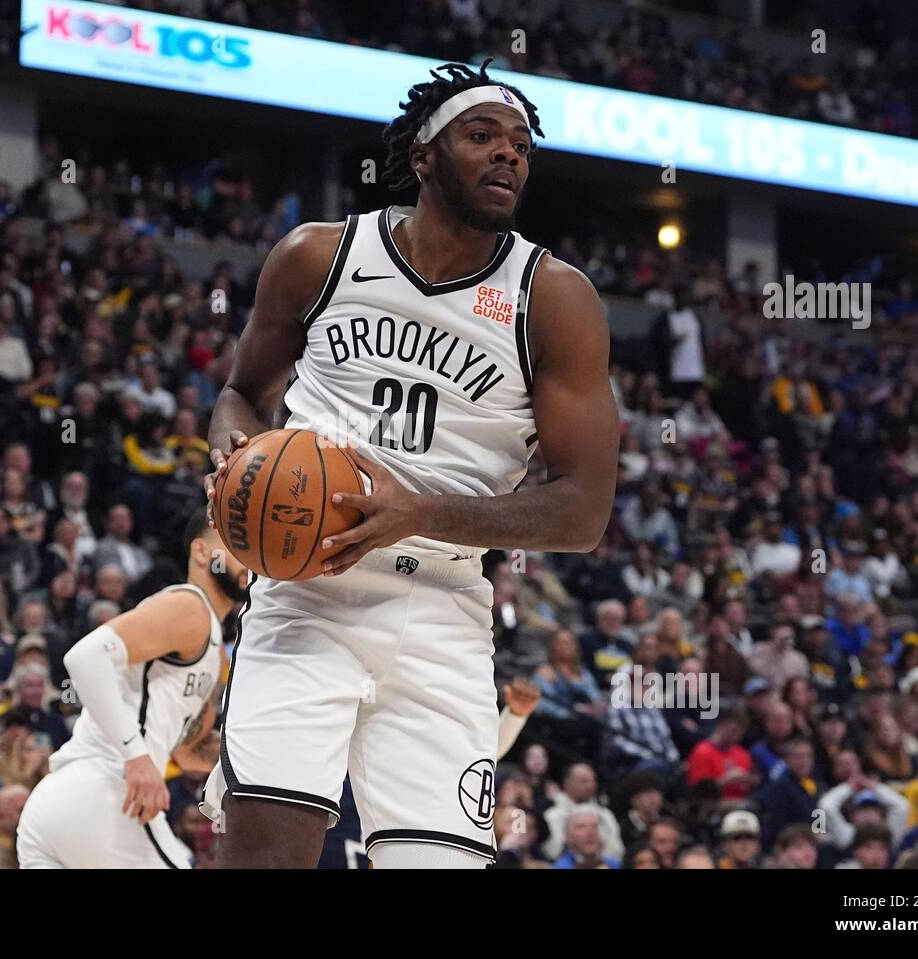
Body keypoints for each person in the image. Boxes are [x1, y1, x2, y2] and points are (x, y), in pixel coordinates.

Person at [201, 59, 618, 869]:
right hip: (303, 590)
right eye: (482, 136)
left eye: (521, 146)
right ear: (424, 156)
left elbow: (583, 511)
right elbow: (238, 395)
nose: (508, 156)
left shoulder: (554, 298)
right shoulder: (317, 257)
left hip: (441, 610)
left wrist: (417, 510)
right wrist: (237, 460)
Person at [17, 512, 239, 868]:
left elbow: (186, 751)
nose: (248, 560)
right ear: (201, 552)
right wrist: (137, 758)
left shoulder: (213, 649)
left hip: (63, 807)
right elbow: (86, 657)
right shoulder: (189, 606)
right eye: (234, 546)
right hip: (107, 790)